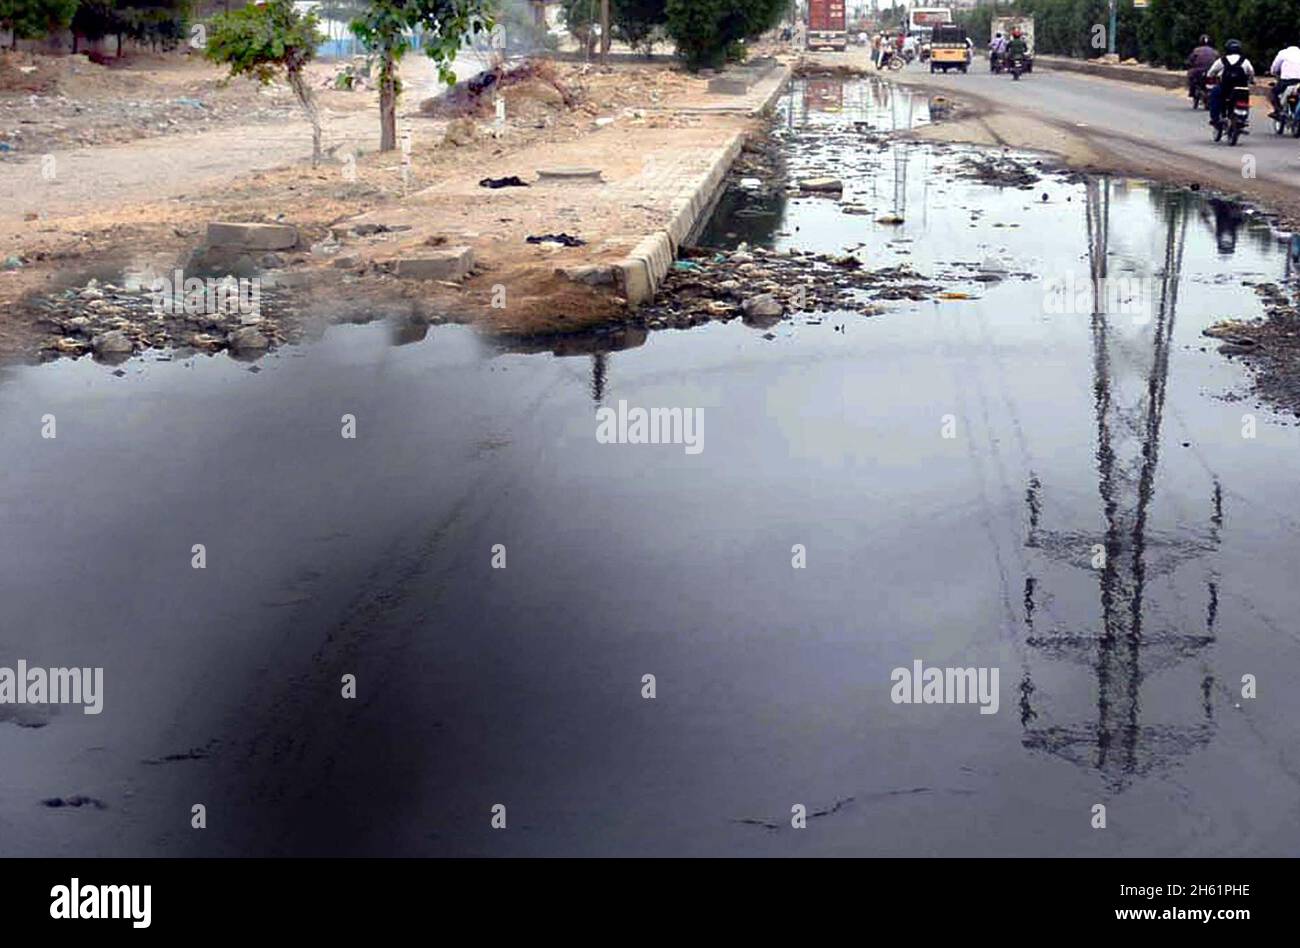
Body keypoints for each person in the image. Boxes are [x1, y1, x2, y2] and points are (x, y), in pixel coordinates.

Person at [1206, 39, 1255, 126]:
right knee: (1244, 99)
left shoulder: (1222, 60)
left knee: (1214, 95)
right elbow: (1251, 73)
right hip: (1241, 88)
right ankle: (1243, 118)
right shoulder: (1245, 61)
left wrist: (1211, 78)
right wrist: (1251, 81)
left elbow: (1211, 73)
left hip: (1225, 88)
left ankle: (1215, 118)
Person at [1268, 42, 1300, 119]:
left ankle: (1278, 111)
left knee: (1273, 92)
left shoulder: (1283, 53)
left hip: (1287, 81)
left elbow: (1274, 68)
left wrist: (1273, 72)